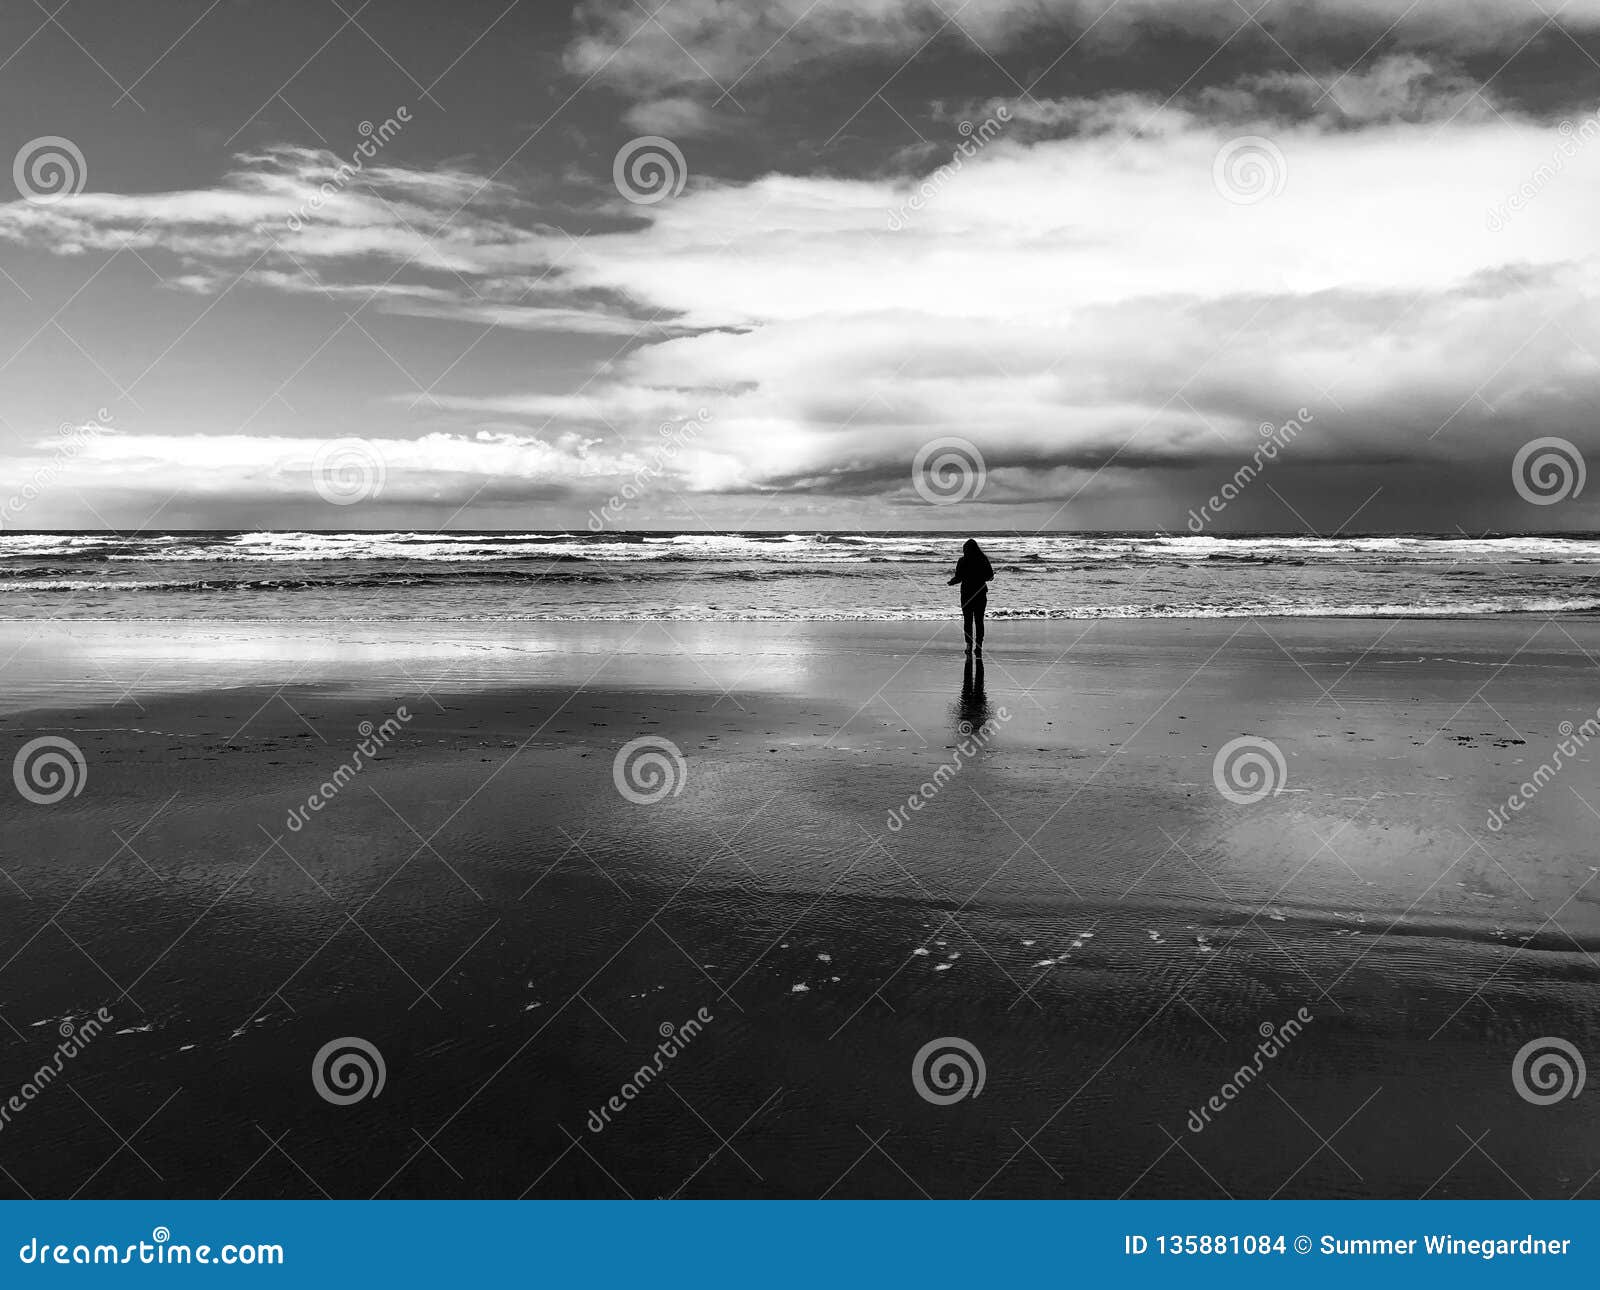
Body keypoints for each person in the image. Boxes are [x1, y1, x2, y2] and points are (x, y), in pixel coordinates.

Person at [947, 538, 994, 653]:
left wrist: (951, 582)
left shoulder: (962, 561)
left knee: (967, 621)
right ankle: (979, 646)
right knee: (979, 621)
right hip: (980, 594)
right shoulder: (983, 559)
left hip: (966, 594)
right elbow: (990, 577)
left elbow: (958, 577)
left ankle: (968, 646)